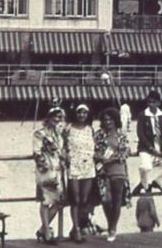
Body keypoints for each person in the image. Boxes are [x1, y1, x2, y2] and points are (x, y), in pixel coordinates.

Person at [94, 107, 130, 243]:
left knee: (116, 201)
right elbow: (92, 150)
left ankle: (112, 228)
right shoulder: (98, 134)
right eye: (105, 120)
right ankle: (111, 225)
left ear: (116, 120)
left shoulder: (121, 135)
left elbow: (127, 151)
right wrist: (100, 157)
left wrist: (114, 157)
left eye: (110, 119)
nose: (108, 122)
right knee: (105, 200)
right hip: (102, 170)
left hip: (118, 169)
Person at [135, 91, 162, 194]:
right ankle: (146, 184)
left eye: (153, 102)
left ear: (158, 103)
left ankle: (156, 181)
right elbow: (140, 134)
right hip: (147, 148)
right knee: (145, 167)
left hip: (161, 148)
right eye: (149, 102)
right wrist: (151, 149)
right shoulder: (143, 115)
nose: (151, 104)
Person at [63, 104, 96, 243]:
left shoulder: (90, 129)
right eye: (79, 112)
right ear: (75, 114)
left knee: (84, 200)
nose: (82, 115)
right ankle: (76, 229)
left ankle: (77, 226)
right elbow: (62, 145)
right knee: (75, 200)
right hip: (74, 166)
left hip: (88, 166)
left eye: (84, 113)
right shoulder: (68, 128)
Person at [33, 108, 66, 244]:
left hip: (58, 170)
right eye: (54, 116)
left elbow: (60, 151)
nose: (57, 119)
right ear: (48, 117)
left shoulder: (58, 133)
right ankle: (46, 232)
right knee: (46, 201)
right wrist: (45, 167)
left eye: (59, 117)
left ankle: (42, 229)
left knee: (61, 201)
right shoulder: (39, 133)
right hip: (45, 170)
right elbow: (37, 152)